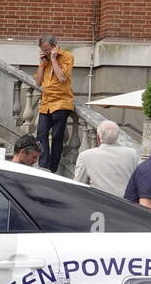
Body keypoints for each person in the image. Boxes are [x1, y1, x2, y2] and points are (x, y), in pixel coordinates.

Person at [34, 34, 74, 173]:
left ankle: (52, 169)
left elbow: (62, 78)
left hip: (61, 102)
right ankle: (44, 165)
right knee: (41, 134)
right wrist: (41, 63)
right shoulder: (44, 60)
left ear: (54, 46)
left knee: (57, 137)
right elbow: (38, 82)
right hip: (46, 104)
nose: (44, 52)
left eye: (46, 49)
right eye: (42, 50)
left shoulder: (67, 56)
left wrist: (53, 59)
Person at [72, 119, 138, 197]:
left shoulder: (85, 156)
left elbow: (78, 185)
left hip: (99, 203)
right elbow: (139, 181)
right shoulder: (132, 153)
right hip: (127, 203)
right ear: (118, 136)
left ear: (98, 137)